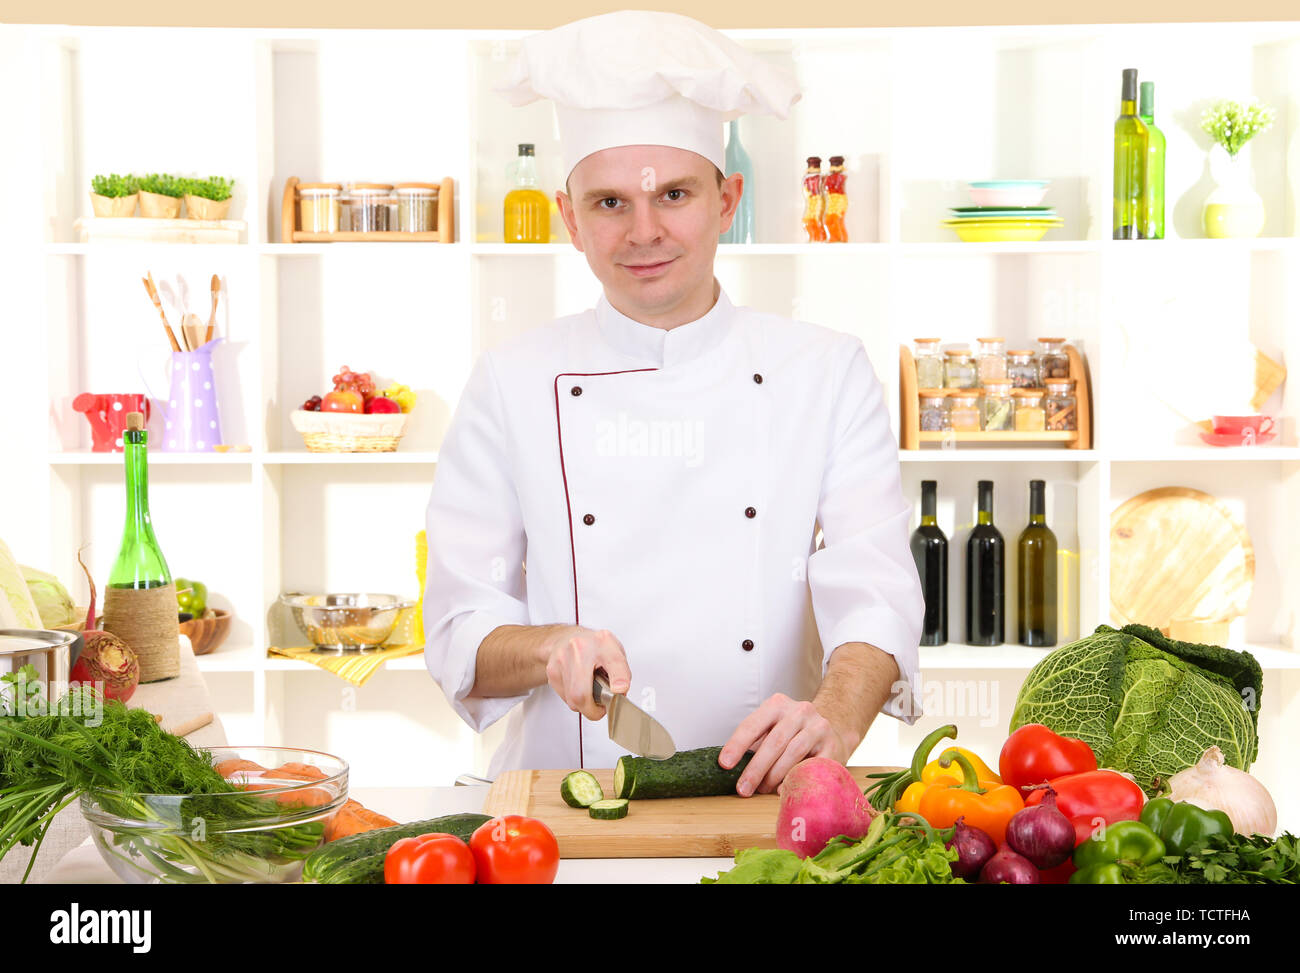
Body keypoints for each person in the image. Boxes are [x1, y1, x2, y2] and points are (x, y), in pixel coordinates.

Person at [424, 10, 923, 794]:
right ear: (570, 219)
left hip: (768, 791)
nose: (644, 231)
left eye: (676, 195)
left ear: (727, 201)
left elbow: (875, 588)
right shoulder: (510, 380)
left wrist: (834, 713)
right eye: (610, 203)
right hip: (562, 801)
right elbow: (460, 627)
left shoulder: (825, 371)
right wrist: (549, 643)